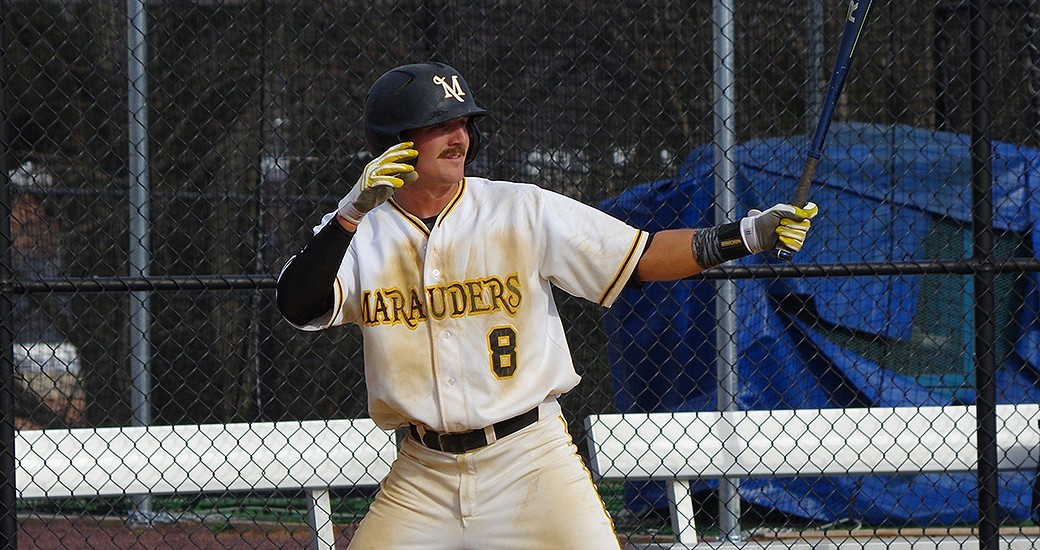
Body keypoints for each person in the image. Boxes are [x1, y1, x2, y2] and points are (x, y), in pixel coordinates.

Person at [276, 61, 818, 549]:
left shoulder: (520, 209)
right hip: (422, 474)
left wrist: (746, 234)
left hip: (529, 460)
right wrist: (349, 214)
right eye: (439, 125)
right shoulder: (357, 233)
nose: (459, 136)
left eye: (464, 123)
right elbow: (299, 306)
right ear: (394, 143)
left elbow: (643, 255)